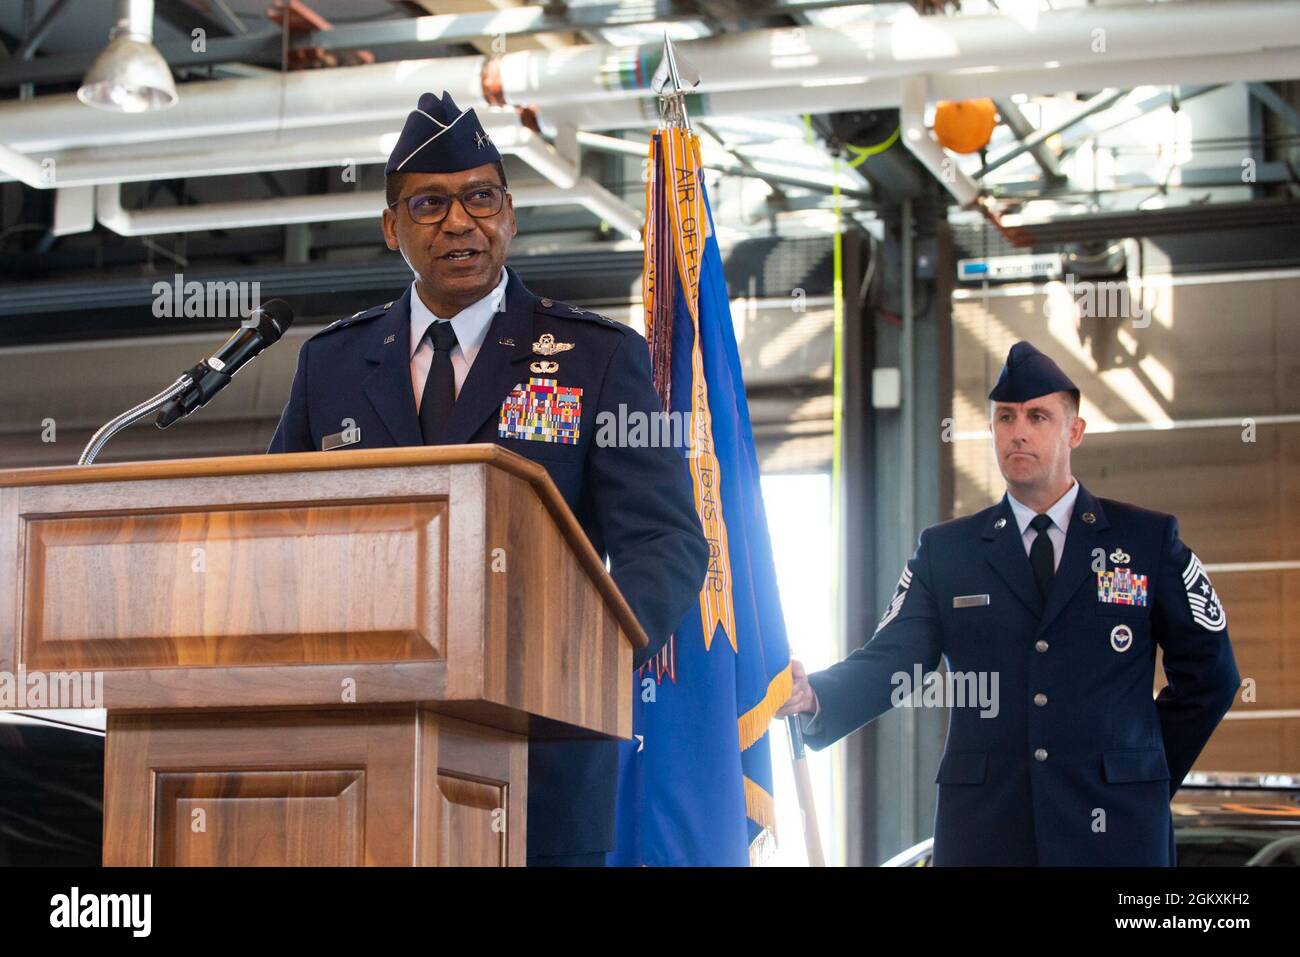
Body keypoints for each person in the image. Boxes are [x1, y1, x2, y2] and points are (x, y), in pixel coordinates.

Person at [268, 91, 708, 866]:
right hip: (361, 746)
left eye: (481, 198)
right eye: (430, 203)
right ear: (391, 227)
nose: (460, 222)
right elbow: (272, 539)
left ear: (509, 214)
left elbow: (666, 546)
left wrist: (577, 660)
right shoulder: (331, 364)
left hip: (540, 751)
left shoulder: (595, 357)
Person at [777, 340, 1240, 865]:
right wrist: (817, 694)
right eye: (1005, 417)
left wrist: (1141, 773)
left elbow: (1211, 676)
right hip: (987, 834)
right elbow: (895, 658)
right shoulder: (948, 551)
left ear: (1075, 431)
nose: (1018, 431)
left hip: (1116, 834)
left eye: (1038, 416)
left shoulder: (1146, 540)